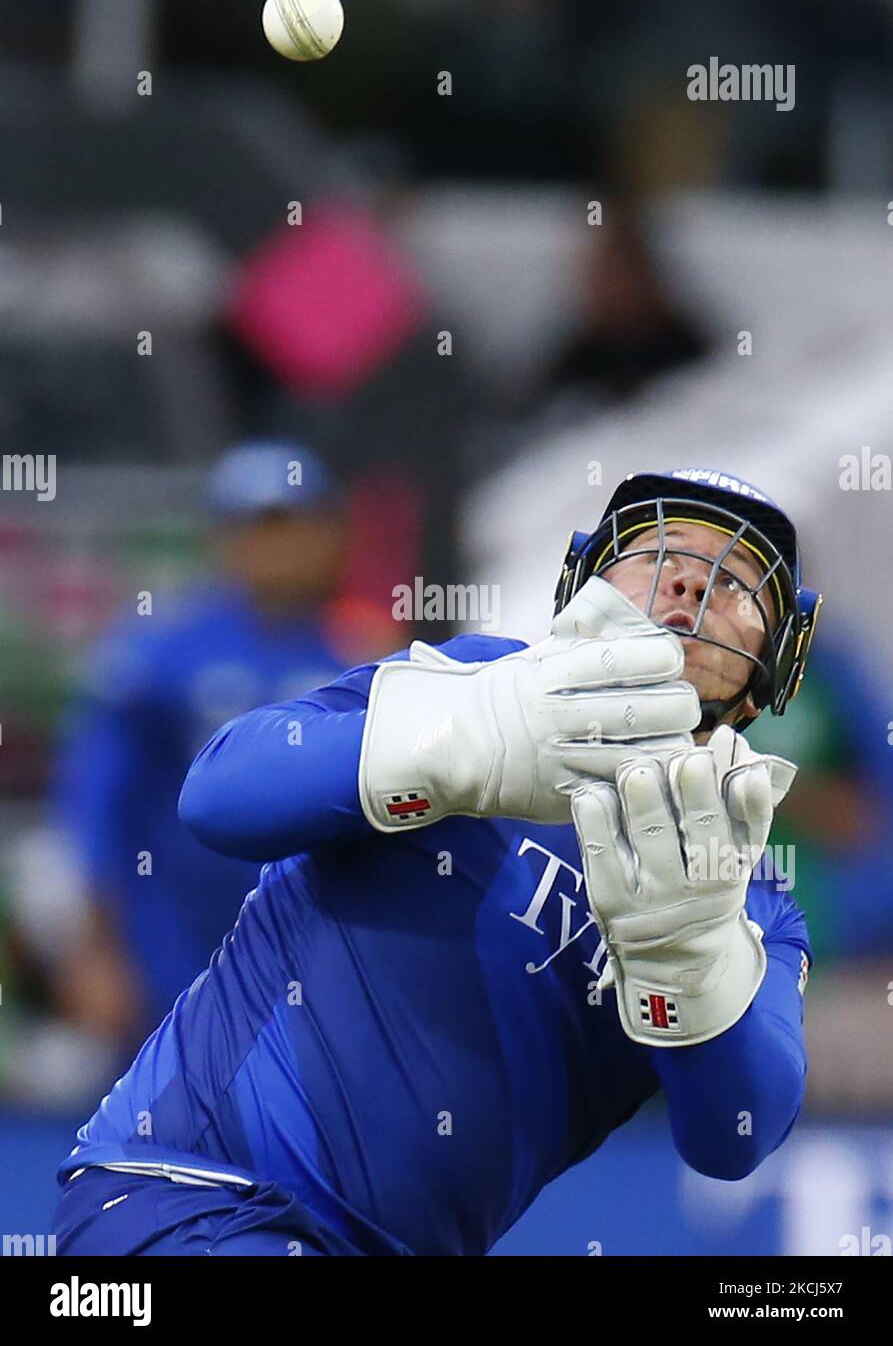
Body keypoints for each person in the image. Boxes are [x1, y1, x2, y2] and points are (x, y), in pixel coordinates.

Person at [51, 468, 822, 1257]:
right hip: (197, 1191)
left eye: (733, 580)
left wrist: (685, 961)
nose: (688, 579)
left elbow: (734, 1138)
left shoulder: (751, 901)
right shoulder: (470, 678)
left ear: (772, 671)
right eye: (654, 552)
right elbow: (219, 795)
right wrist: (461, 736)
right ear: (583, 588)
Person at [49, 440, 349, 1043]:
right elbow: (98, 803)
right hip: (167, 942)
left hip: (306, 950)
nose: (275, 548)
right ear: (223, 539)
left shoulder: (360, 659)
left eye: (291, 526)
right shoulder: (157, 655)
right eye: (256, 528)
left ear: (329, 535)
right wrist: (97, 947)